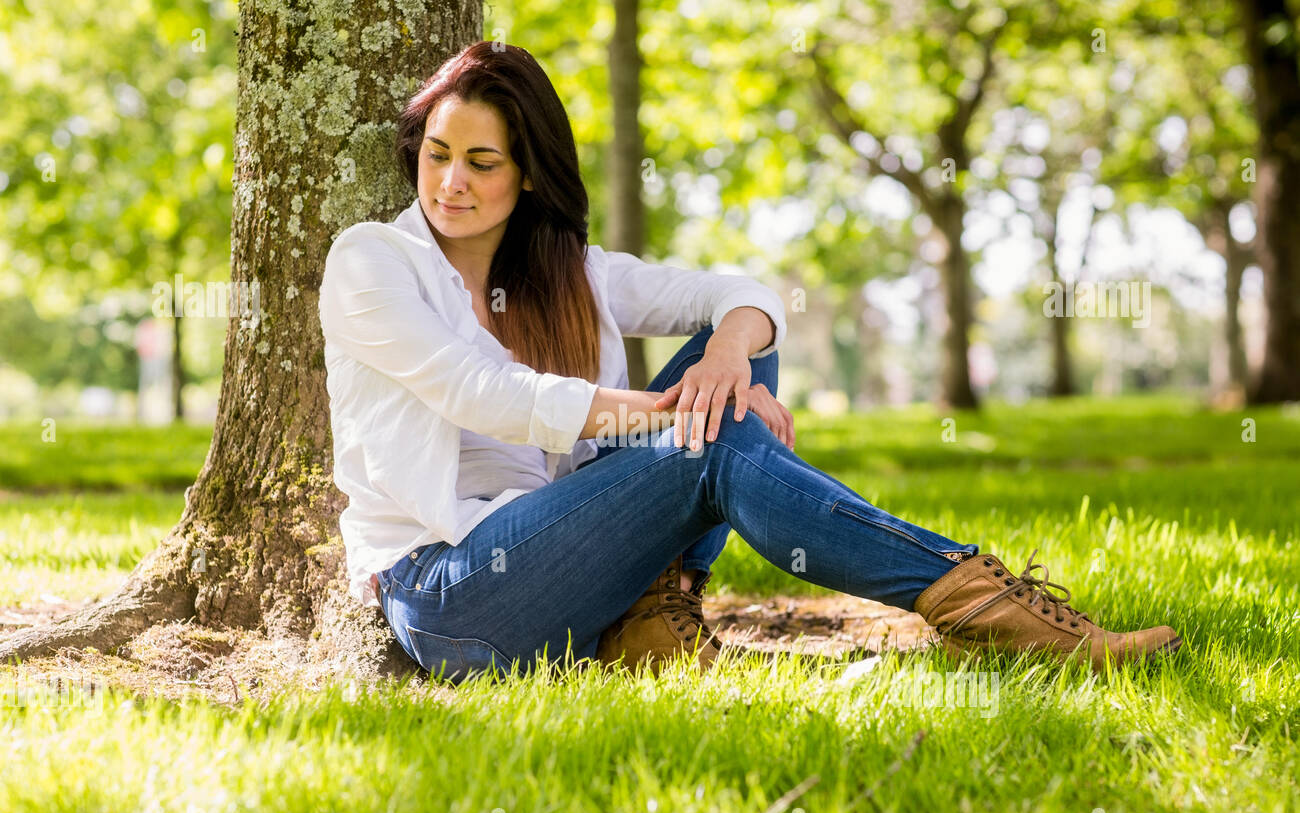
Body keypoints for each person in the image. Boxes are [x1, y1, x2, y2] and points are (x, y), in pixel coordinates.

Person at [318, 41, 1181, 685]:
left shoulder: (570, 273)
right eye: (437, 154)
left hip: (567, 571)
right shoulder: (372, 261)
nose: (450, 183)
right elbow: (486, 395)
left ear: (531, 176)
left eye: (481, 162)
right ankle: (984, 606)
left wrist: (728, 353)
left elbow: (741, 290)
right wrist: (674, 418)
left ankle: (651, 626)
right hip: (453, 594)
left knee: (731, 366)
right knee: (711, 429)